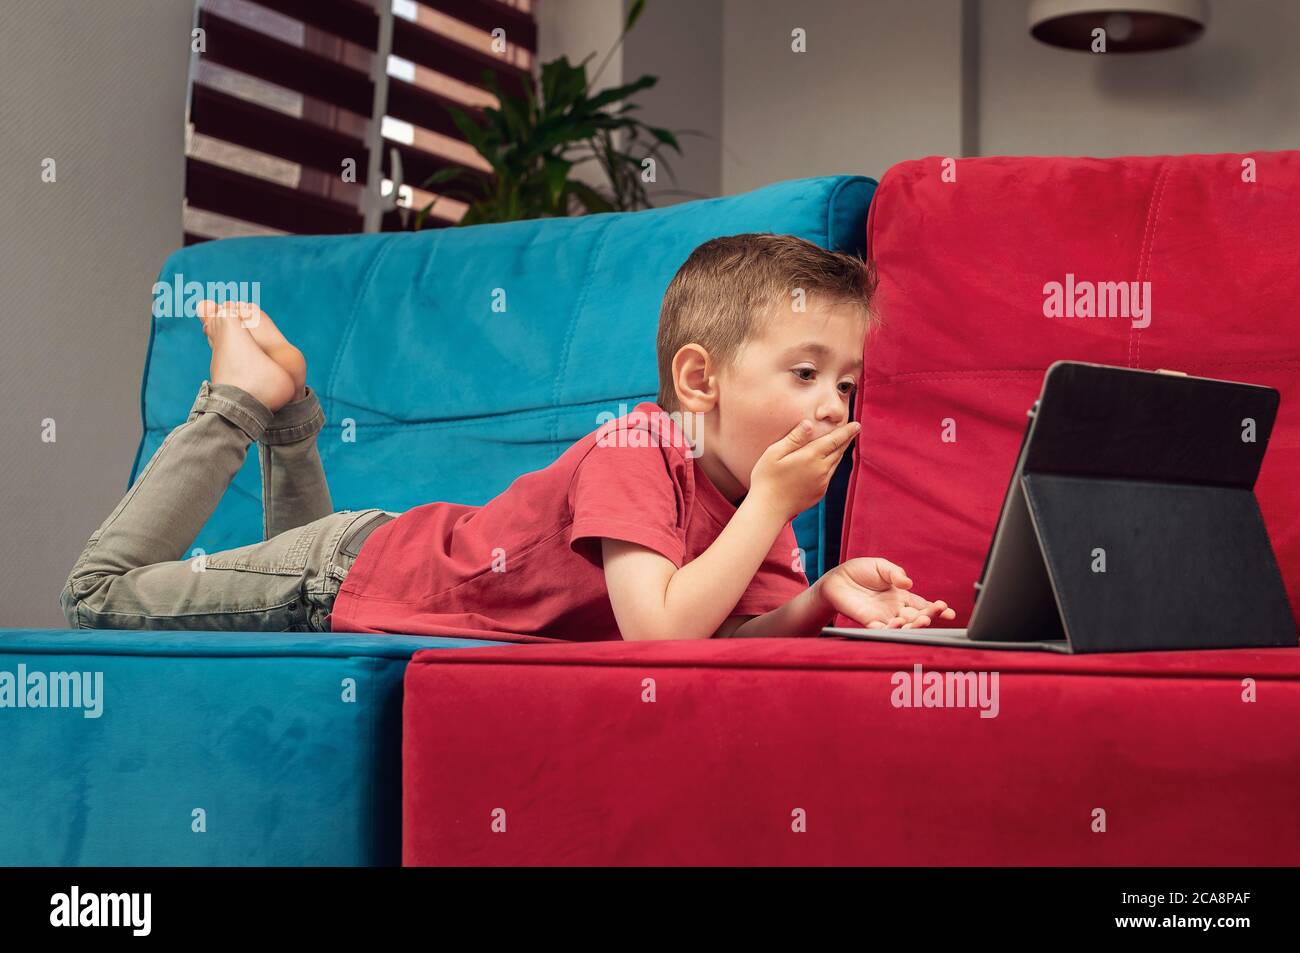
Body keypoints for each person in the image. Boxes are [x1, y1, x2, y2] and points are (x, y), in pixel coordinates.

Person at [60, 233, 954, 641]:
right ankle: (239, 403)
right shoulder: (640, 449)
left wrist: (823, 597)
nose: (835, 404)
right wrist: (769, 507)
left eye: (845, 382)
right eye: (805, 374)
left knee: (287, 617)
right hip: (349, 568)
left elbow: (727, 634)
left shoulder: (754, 493)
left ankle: (288, 412)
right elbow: (660, 636)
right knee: (98, 598)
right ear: (698, 381)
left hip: (375, 563)